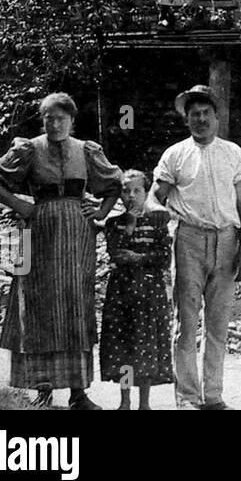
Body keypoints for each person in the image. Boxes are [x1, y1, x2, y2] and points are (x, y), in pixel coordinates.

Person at [0, 92, 124, 409]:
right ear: (42, 120)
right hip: (37, 232)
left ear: (72, 120)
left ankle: (78, 393)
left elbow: (114, 184)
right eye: (49, 118)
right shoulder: (29, 149)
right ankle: (42, 390)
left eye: (61, 118)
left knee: (74, 307)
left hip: (76, 236)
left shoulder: (86, 151)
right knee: (39, 306)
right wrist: (21, 206)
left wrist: (99, 212)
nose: (55, 124)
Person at [151, 84, 241, 409]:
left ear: (216, 117)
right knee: (186, 322)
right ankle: (187, 397)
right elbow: (156, 196)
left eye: (206, 113)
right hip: (189, 239)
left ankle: (213, 396)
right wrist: (160, 226)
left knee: (218, 324)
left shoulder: (234, 152)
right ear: (187, 120)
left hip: (226, 240)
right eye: (194, 115)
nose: (201, 119)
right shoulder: (175, 154)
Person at [100, 169, 174, 410]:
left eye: (137, 190)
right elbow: (116, 253)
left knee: (146, 348)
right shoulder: (114, 224)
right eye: (126, 190)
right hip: (122, 294)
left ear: (146, 192)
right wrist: (130, 226)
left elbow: (163, 257)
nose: (131, 196)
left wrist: (137, 258)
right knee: (124, 348)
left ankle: (145, 403)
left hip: (149, 294)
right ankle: (124, 402)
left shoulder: (158, 221)